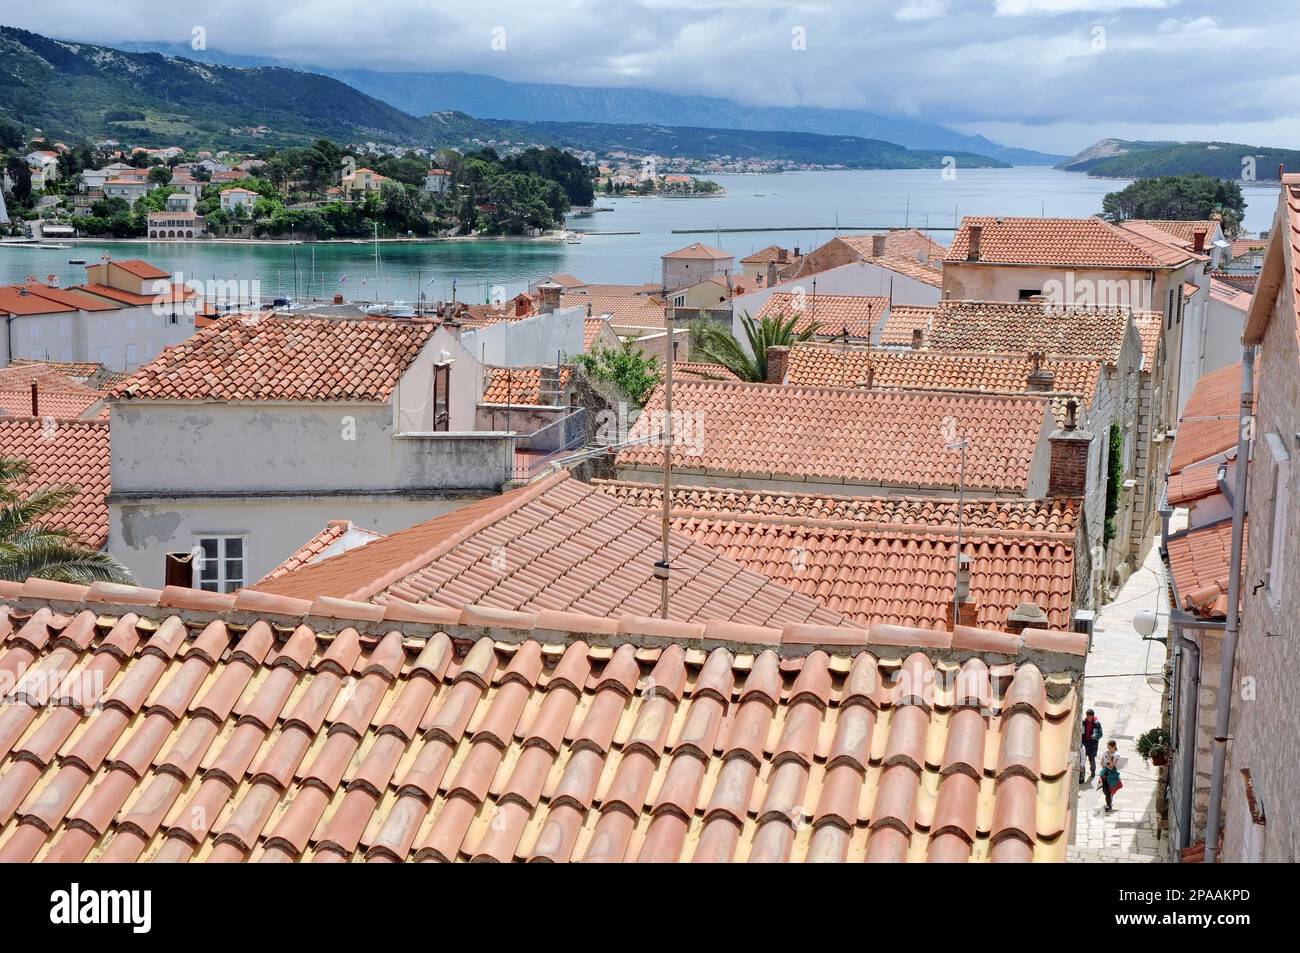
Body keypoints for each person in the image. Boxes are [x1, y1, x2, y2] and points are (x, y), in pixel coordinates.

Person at [1079, 709, 1103, 783]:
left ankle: (1093, 772)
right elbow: (1081, 732)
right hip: (1084, 744)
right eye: (1087, 716)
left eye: (1090, 716)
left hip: (1093, 745)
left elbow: (1100, 734)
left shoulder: (1097, 723)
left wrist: (1095, 736)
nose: (1088, 718)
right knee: (1082, 760)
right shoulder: (1083, 722)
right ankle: (1082, 775)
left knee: (1091, 759)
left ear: (1092, 716)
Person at [1099, 740, 1122, 812]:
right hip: (1104, 773)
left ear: (1114, 747)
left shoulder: (1116, 754)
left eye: (1109, 747)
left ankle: (1108, 805)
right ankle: (1109, 801)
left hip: (1112, 774)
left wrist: (1109, 756)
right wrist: (1103, 764)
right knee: (1104, 790)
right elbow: (1102, 762)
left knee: (1108, 790)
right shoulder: (1105, 752)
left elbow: (1112, 766)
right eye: (1107, 747)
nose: (1108, 749)